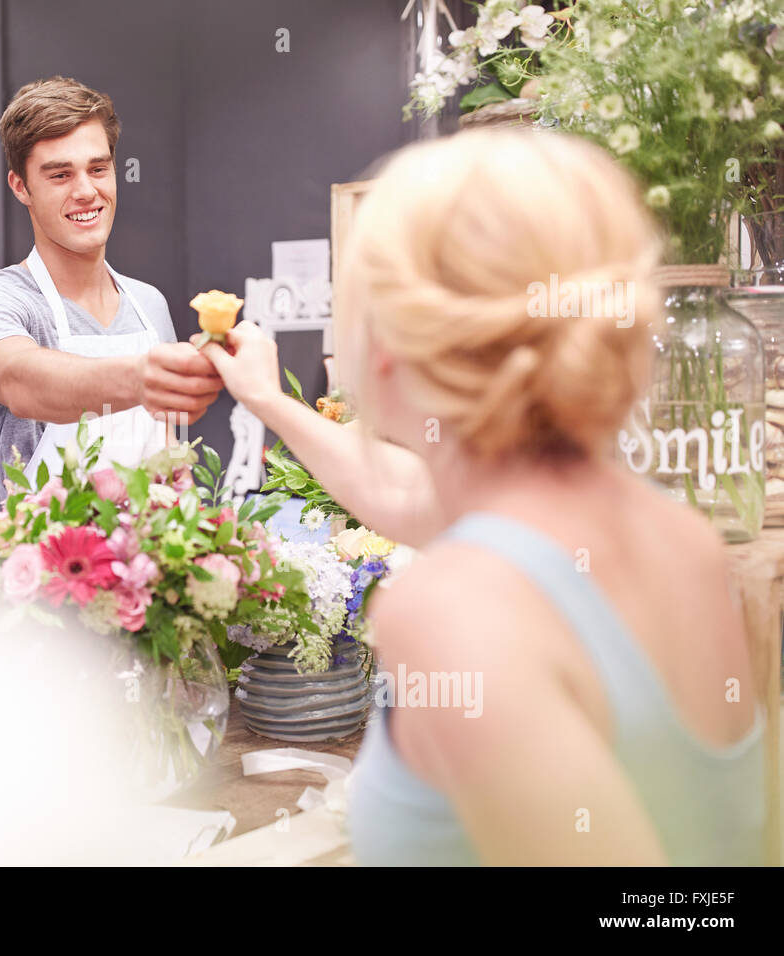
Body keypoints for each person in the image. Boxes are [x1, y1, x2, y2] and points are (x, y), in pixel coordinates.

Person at [199, 129, 766, 865]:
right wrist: (270, 403)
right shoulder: (670, 530)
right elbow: (416, 501)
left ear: (385, 349)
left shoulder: (452, 607)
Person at [0, 76, 223, 503]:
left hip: (152, 558)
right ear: (21, 186)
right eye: (60, 175)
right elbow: (22, 384)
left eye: (98, 169)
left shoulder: (149, 304)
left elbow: (170, 458)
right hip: (48, 562)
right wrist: (147, 376)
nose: (86, 191)